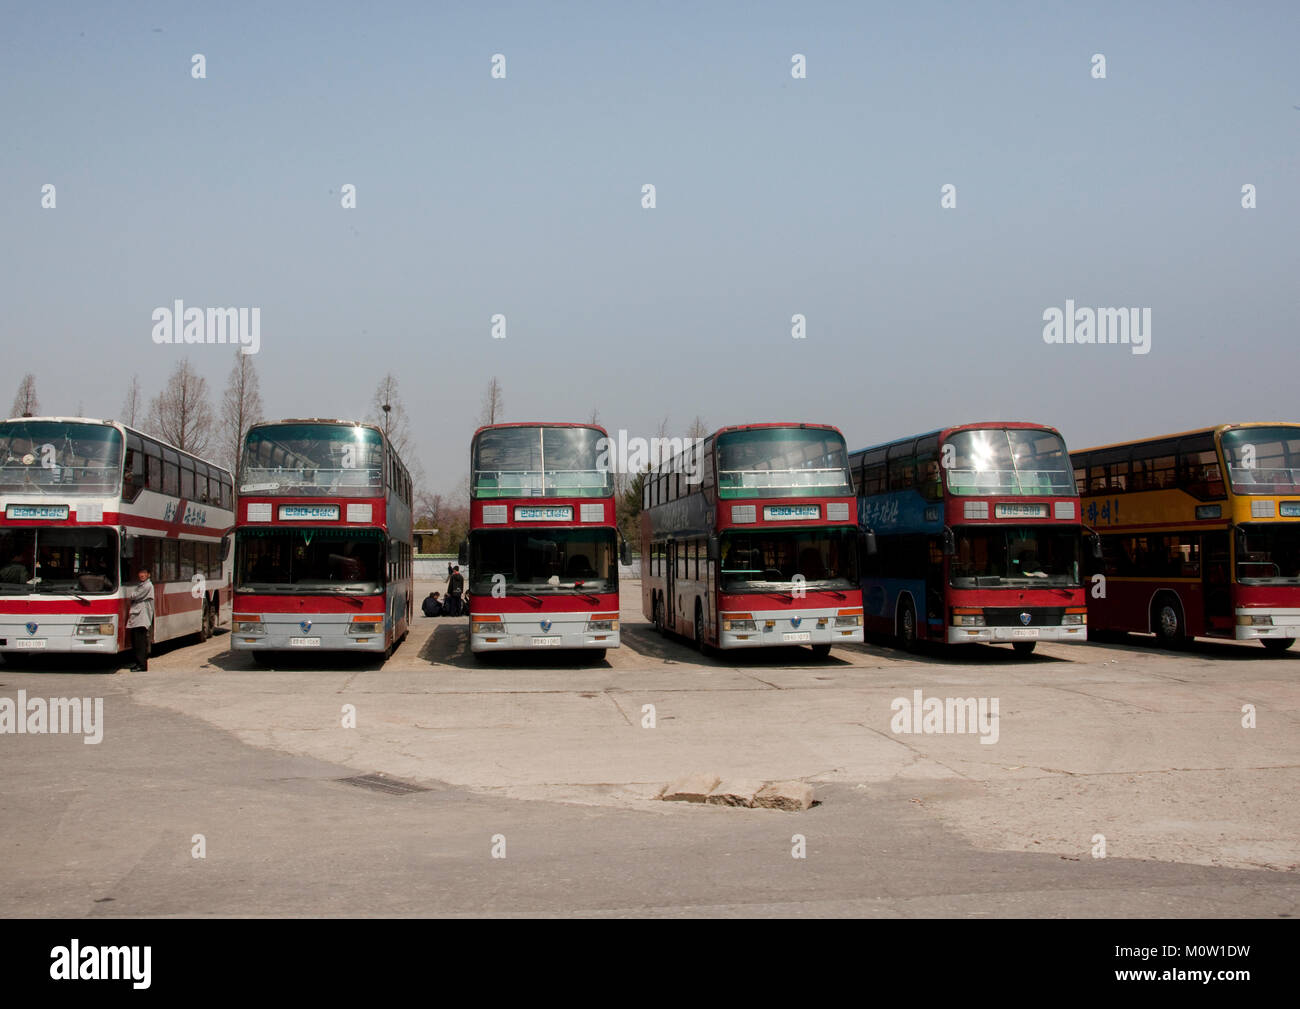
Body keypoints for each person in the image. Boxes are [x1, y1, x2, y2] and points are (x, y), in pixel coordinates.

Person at [127, 568, 155, 672]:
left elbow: (135, 595)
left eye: (144, 573)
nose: (142, 575)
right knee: (136, 642)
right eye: (140, 573)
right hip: (137, 617)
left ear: (148, 574)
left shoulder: (147, 586)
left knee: (140, 643)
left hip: (142, 618)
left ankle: (142, 665)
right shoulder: (142, 585)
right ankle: (138, 663)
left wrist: (133, 594)